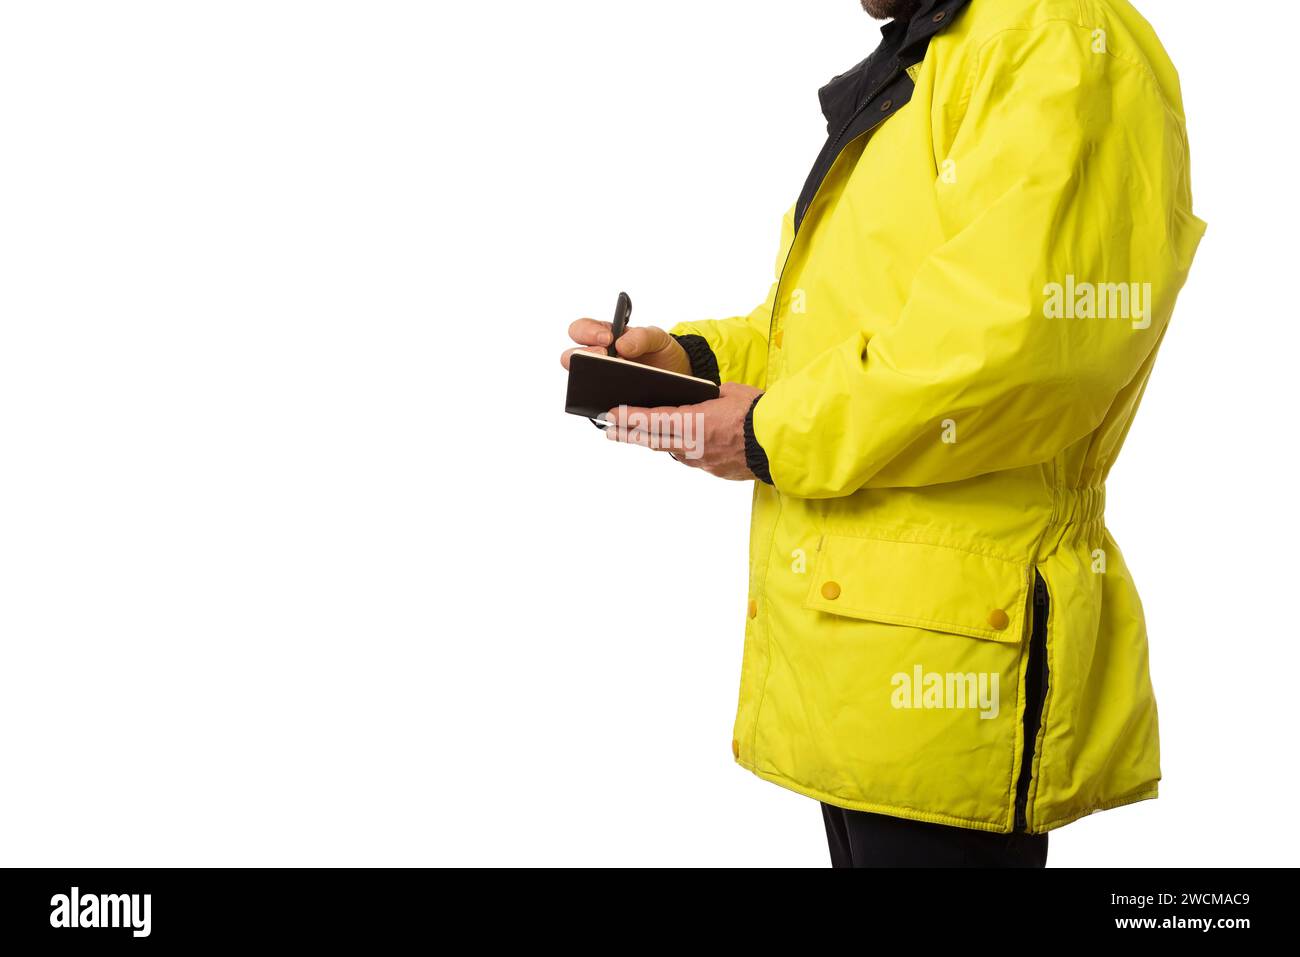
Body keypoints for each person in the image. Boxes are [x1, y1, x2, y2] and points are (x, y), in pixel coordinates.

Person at [561, 0, 1204, 867]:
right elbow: (847, 335)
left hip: (956, 674)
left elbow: (1012, 354)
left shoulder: (1054, 37)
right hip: (865, 660)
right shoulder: (944, 54)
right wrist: (696, 361)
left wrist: (762, 431)